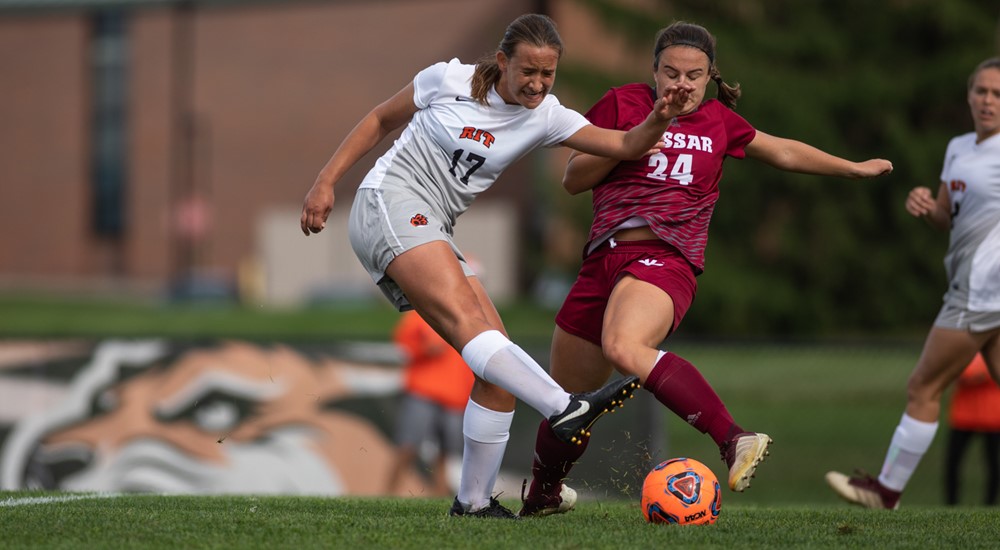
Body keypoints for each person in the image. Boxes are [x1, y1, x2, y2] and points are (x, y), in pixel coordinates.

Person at [300, 13, 695, 518]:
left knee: (498, 369)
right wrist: (325, 181)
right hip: (388, 201)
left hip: (433, 224)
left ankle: (473, 502)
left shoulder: (548, 115)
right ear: (502, 61)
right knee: (474, 329)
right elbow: (380, 119)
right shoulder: (449, 78)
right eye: (527, 71)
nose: (536, 84)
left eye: (547, 74)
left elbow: (623, 145)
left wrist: (660, 115)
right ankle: (562, 406)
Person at [517, 20, 894, 517]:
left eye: (694, 75)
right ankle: (544, 495)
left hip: (665, 259)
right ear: (653, 71)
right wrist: (640, 134)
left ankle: (735, 438)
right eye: (670, 72)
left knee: (625, 345)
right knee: (565, 402)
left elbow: (780, 149)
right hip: (602, 260)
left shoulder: (719, 121)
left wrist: (852, 167)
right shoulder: (622, 104)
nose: (681, 84)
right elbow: (571, 179)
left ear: (710, 76)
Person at [826, 57, 1000, 510]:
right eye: (981, 91)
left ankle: (885, 491)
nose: (988, 100)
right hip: (973, 286)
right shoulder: (960, 147)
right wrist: (929, 207)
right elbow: (948, 216)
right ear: (968, 95)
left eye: (998, 94)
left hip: (980, 293)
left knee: (923, 387)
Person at [385, 309, 475, 497]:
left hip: (455, 396)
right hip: (423, 391)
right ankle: (388, 494)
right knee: (407, 446)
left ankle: (440, 497)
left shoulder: (471, 315)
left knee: (445, 453)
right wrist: (424, 348)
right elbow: (402, 346)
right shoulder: (420, 311)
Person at [944, 353, 1000, 506]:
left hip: (992, 415)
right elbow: (954, 371)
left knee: (993, 463)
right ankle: (951, 505)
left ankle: (990, 506)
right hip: (963, 416)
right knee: (953, 462)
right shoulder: (964, 344)